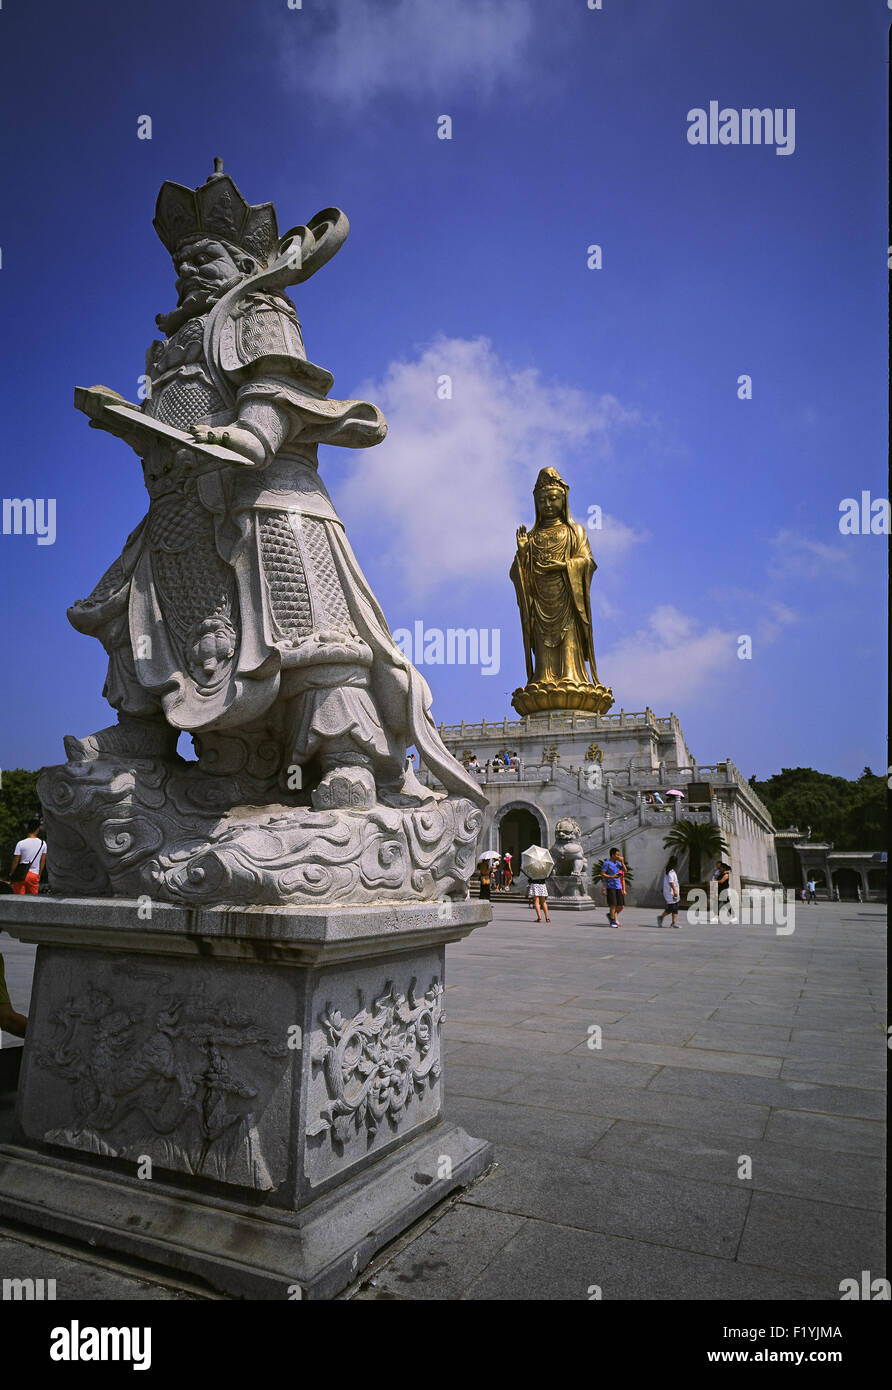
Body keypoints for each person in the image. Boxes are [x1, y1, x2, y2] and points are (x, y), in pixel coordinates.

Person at [9, 820, 47, 897]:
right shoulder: (43, 844)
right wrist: (39, 875)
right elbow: (42, 862)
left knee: (18, 899)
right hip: (34, 875)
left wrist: (12, 874)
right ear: (38, 829)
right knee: (33, 900)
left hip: (20, 875)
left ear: (27, 829)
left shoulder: (20, 843)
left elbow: (15, 861)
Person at [601, 847, 625, 927]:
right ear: (612, 855)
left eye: (619, 855)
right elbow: (603, 874)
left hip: (618, 886)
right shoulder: (607, 863)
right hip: (611, 886)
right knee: (613, 904)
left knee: (620, 905)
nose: (619, 856)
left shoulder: (618, 863)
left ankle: (610, 915)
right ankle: (612, 921)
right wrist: (611, 877)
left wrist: (622, 862)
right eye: (617, 855)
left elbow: (625, 870)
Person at [657, 856, 681, 928]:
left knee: (676, 906)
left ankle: (673, 923)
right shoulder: (670, 871)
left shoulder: (670, 870)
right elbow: (671, 882)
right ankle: (661, 917)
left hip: (673, 891)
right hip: (670, 892)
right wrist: (674, 891)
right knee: (672, 907)